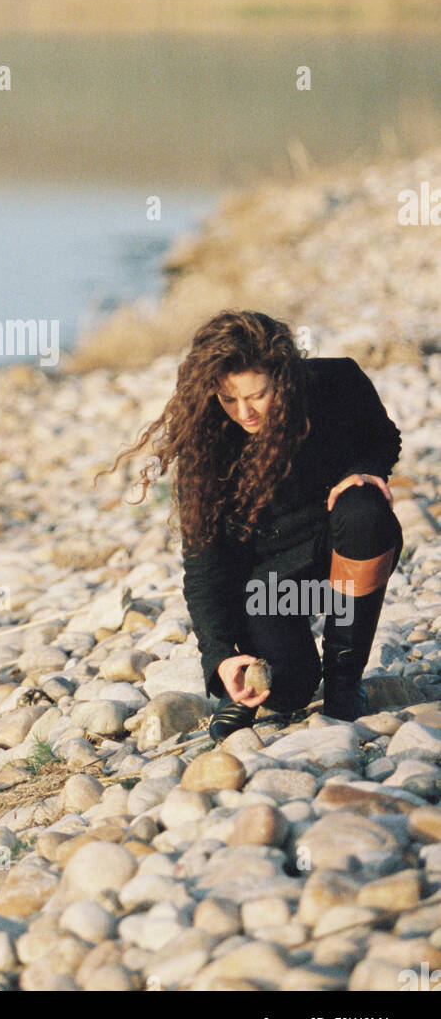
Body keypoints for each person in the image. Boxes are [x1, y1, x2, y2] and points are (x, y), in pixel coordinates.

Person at [96, 310, 404, 743]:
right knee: (289, 690)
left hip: (341, 546)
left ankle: (344, 685)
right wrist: (221, 658)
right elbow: (202, 569)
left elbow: (382, 436)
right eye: (228, 399)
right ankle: (245, 689)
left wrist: (367, 470)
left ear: (286, 377)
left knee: (366, 511)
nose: (243, 412)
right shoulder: (207, 447)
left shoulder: (338, 383)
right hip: (272, 584)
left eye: (257, 395)